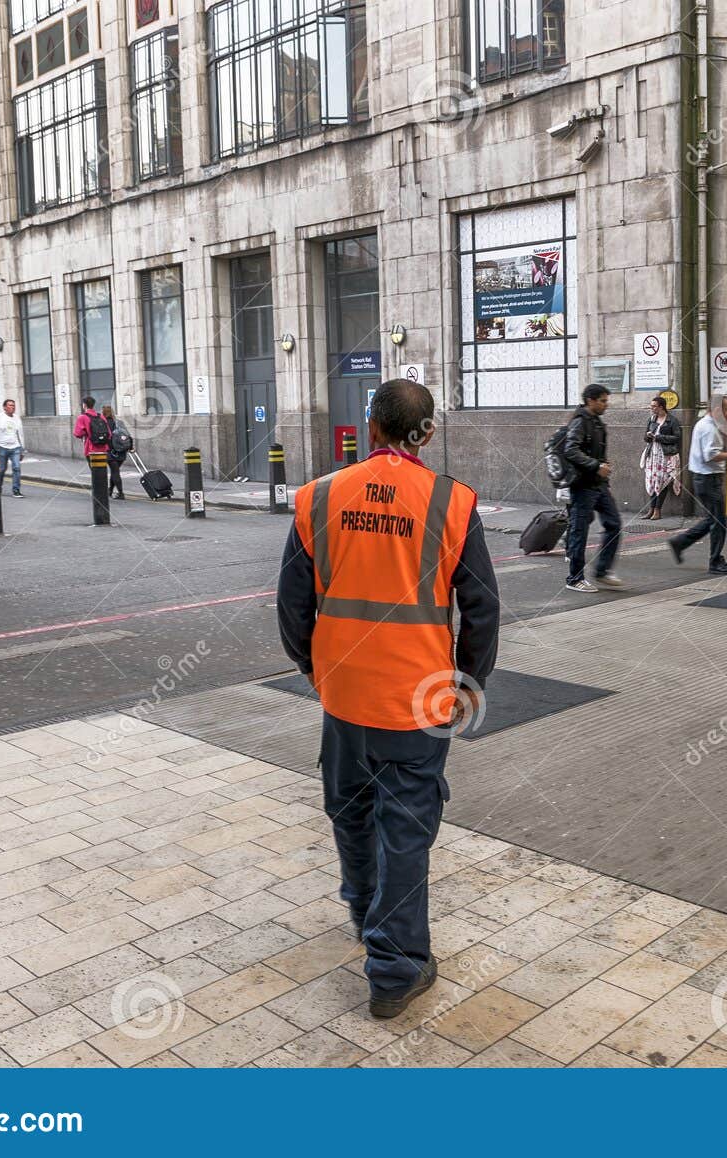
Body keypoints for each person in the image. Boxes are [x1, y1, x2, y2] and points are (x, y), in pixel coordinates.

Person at [276, 379, 499, 1020]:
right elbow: (483, 605)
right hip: (418, 701)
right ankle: (395, 969)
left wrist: (317, 671)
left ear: (369, 427)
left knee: (350, 809)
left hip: (344, 697)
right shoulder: (450, 505)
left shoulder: (321, 498)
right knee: (404, 829)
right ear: (426, 434)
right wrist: (467, 681)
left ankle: (364, 910)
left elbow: (292, 606)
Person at [667, 395, 727, 575]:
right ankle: (715, 562)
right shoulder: (709, 428)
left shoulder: (706, 424)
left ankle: (680, 543)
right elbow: (710, 455)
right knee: (719, 522)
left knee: (713, 519)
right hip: (708, 479)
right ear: (717, 410)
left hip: (704, 479)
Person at [561, 384, 624, 593]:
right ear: (591, 400)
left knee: (614, 523)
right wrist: (596, 466)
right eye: (603, 401)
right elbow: (570, 450)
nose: (606, 404)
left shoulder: (596, 422)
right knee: (580, 532)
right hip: (583, 485)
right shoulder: (580, 422)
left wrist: (603, 468)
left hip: (598, 485)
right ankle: (574, 579)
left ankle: (602, 571)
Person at [641, 395, 681, 520]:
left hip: (665, 455)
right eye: (651, 406)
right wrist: (648, 436)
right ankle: (651, 509)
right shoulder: (651, 419)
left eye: (654, 406)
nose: (651, 408)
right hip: (652, 455)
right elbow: (645, 437)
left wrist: (658, 437)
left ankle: (658, 510)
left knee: (662, 482)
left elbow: (677, 437)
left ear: (661, 407)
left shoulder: (672, 420)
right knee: (652, 481)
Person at [0, 398, 26, 497]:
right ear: (4, 407)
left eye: (13, 405)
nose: (12, 407)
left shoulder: (17, 418)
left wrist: (22, 449)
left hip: (15, 447)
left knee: (17, 468)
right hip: (2, 447)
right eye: (10, 405)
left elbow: (20, 434)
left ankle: (16, 490)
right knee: (1, 469)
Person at [73, 395, 110, 462]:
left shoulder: (82, 417)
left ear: (84, 405)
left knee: (94, 470)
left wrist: (85, 433)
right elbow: (109, 433)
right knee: (102, 469)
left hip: (90, 448)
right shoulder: (101, 416)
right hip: (103, 447)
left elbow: (77, 433)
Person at [102, 405, 128, 500]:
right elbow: (127, 435)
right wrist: (131, 447)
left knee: (115, 472)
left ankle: (121, 493)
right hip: (121, 451)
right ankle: (110, 491)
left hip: (110, 452)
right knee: (114, 471)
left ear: (103, 413)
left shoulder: (103, 423)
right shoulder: (119, 422)